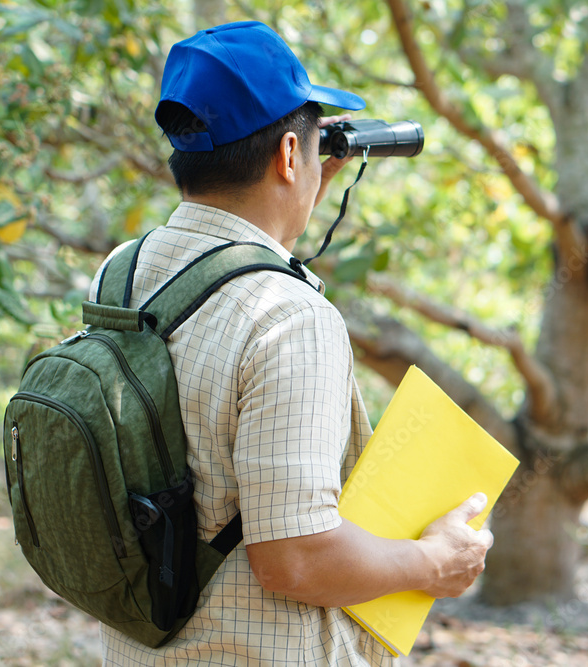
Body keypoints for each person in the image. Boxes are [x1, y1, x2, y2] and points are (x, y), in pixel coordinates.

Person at [89, 21, 493, 666]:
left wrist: (284, 212)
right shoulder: (291, 319)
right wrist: (430, 562)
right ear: (286, 154)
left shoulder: (123, 272)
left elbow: (216, 298)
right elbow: (296, 559)